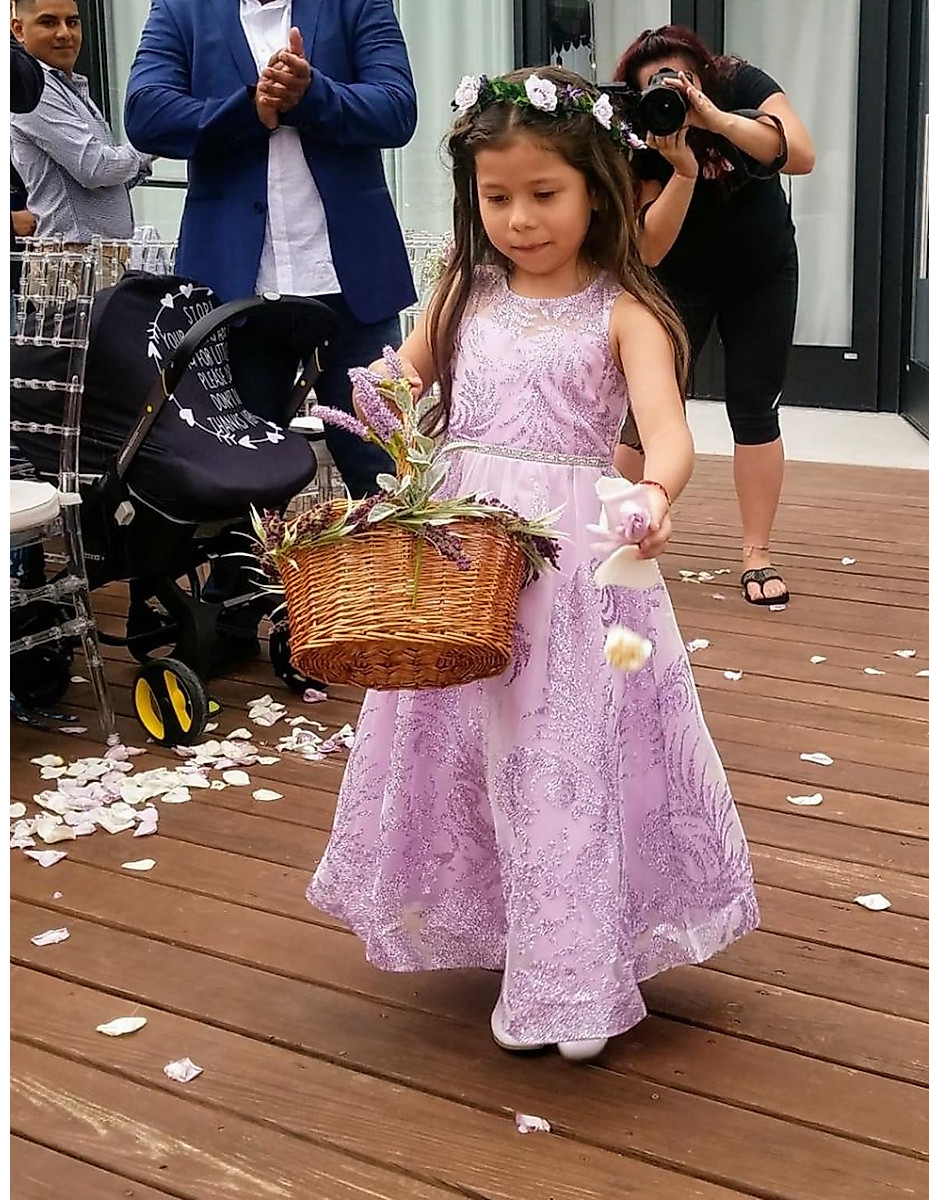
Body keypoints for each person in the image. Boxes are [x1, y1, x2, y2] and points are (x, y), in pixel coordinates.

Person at [307, 66, 759, 1062]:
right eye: (496, 196)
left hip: (575, 566)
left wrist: (654, 494)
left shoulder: (625, 309)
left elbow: (668, 433)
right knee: (469, 749)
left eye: (544, 194)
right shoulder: (463, 292)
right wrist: (376, 391)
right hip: (463, 559)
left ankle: (573, 978)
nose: (519, 219)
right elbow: (402, 380)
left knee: (562, 757)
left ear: (598, 188)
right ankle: (519, 935)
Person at [124, 0, 419, 500]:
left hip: (354, 290)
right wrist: (248, 109)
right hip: (233, 294)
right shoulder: (182, 8)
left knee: (386, 478)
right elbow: (145, 112)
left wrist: (311, 95)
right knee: (240, 489)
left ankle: (394, 557)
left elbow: (396, 107)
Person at [613, 25, 815, 606]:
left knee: (755, 407)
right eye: (656, 86)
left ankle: (757, 554)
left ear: (706, 73)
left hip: (762, 270)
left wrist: (715, 118)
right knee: (642, 414)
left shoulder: (738, 83)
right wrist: (680, 168)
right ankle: (618, 539)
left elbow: (800, 155)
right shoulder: (637, 128)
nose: (673, 94)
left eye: (684, 81)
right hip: (678, 278)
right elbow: (650, 249)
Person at [10, 0, 153, 242]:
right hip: (72, 256)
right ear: (18, 29)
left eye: (73, 22)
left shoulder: (70, 87)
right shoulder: (37, 91)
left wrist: (140, 159)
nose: (64, 33)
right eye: (48, 23)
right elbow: (95, 168)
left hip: (98, 254)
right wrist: (151, 144)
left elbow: (106, 185)